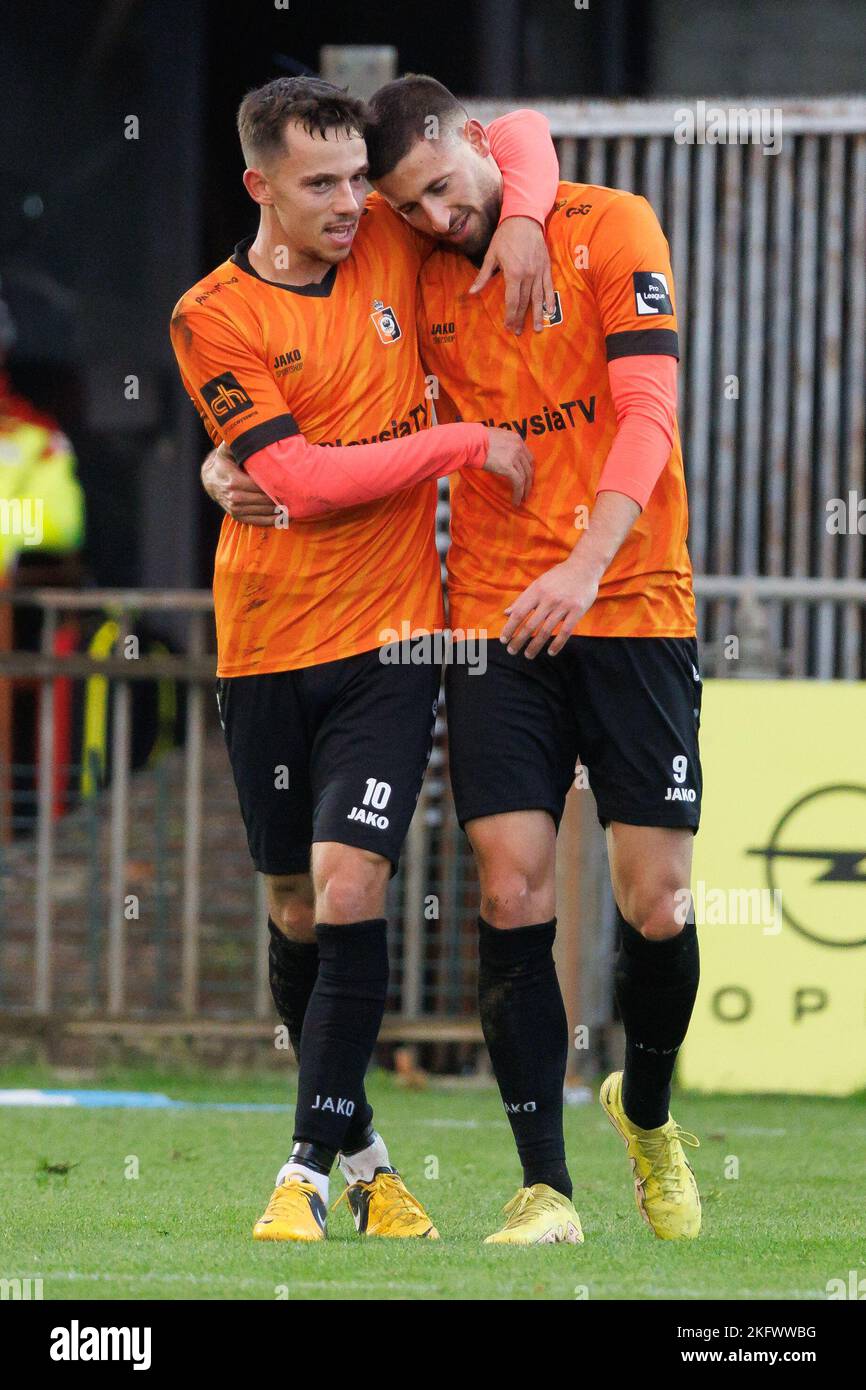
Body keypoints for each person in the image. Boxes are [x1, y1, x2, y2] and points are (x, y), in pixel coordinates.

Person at [171, 75, 558, 1243]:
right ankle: (371, 1164)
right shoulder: (211, 317)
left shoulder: (390, 234)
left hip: (390, 641)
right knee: (294, 908)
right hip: (263, 643)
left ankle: (297, 1175)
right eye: (322, 184)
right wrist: (462, 443)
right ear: (260, 188)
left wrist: (530, 219)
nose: (354, 204)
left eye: (357, 179)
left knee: (350, 887)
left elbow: (520, 133)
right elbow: (294, 484)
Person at [362, 74, 703, 1246]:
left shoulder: (610, 225)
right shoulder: (417, 258)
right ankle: (542, 1188)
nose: (437, 221)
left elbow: (650, 416)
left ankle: (645, 1115)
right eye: (411, 209)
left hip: (632, 599)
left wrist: (586, 566)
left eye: (446, 193)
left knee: (655, 902)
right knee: (509, 885)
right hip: (500, 617)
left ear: (472, 145)